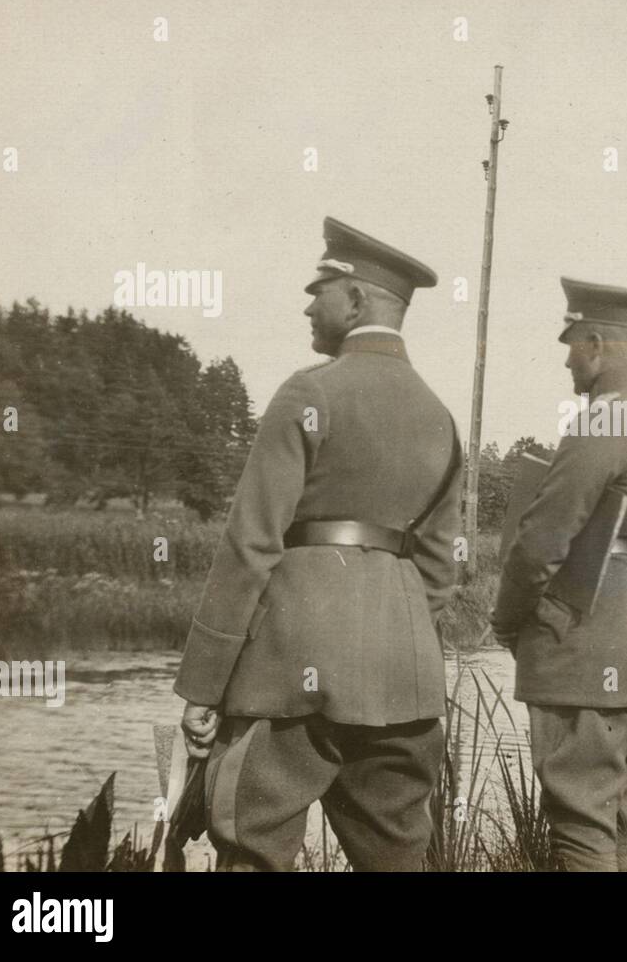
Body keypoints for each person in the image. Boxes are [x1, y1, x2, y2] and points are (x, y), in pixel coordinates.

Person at [175, 217, 462, 871]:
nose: (309, 302)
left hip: (291, 677)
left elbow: (251, 544)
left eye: (321, 288)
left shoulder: (309, 392)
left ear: (356, 301)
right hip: (404, 684)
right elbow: (439, 574)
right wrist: (387, 639)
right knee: (397, 860)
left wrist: (203, 685)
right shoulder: (440, 417)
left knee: (251, 847)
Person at [490, 277, 627, 871]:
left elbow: (541, 543)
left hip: (583, 640)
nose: (568, 359)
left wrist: (507, 621)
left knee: (580, 826)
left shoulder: (600, 422)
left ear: (596, 343)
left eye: (571, 343)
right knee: (624, 818)